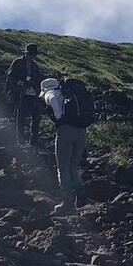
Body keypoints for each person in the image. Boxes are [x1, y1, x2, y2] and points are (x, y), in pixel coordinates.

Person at [42, 76, 95, 214]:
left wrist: (59, 117)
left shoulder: (51, 93)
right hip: (81, 131)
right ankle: (80, 192)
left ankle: (67, 201)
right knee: (73, 166)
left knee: (63, 168)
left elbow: (52, 101)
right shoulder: (69, 93)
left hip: (66, 131)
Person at [4, 42, 45, 145]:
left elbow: (38, 78)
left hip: (32, 93)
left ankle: (33, 141)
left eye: (33, 55)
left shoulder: (35, 66)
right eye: (31, 55)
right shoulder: (17, 62)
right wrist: (17, 82)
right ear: (26, 53)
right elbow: (10, 76)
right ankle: (20, 141)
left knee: (36, 116)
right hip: (20, 92)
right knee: (21, 117)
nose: (32, 57)